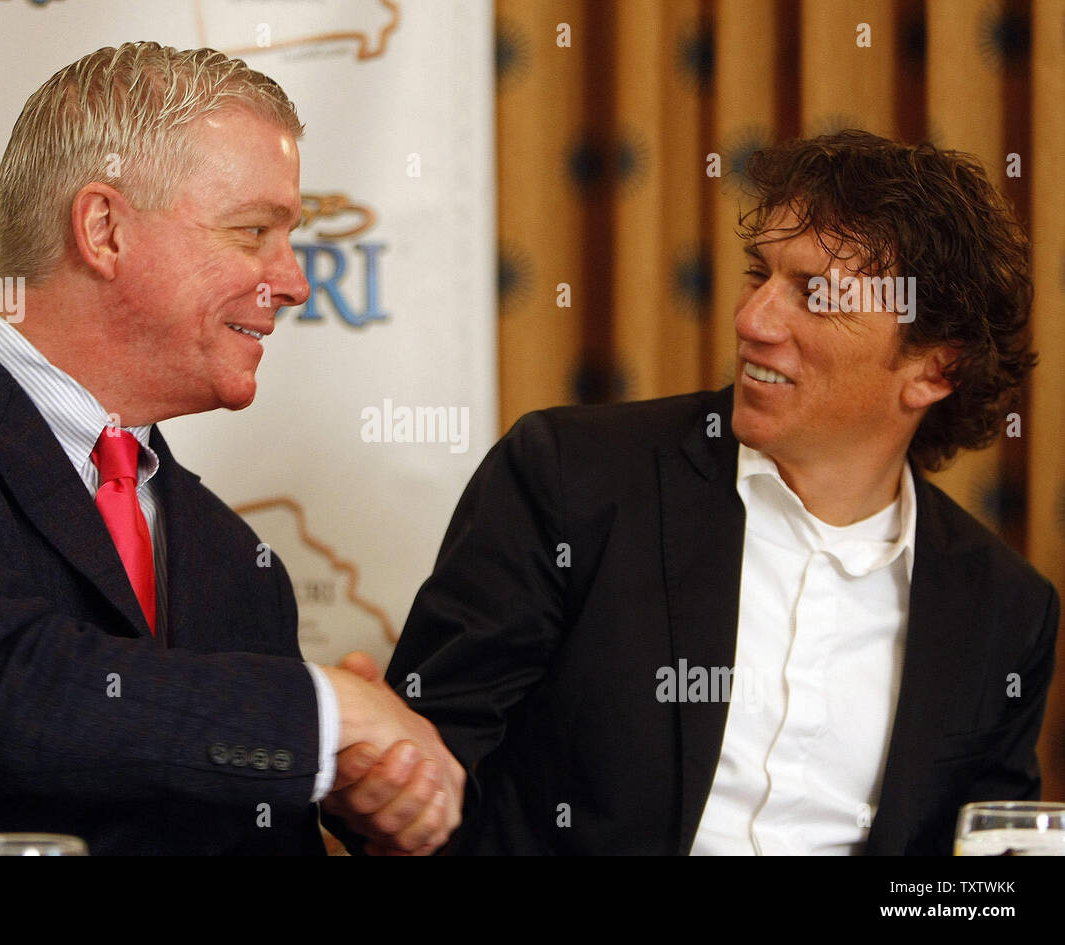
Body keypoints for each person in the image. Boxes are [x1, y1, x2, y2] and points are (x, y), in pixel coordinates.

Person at [0, 42, 460, 855]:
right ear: (104, 230)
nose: (296, 280)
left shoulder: (239, 564)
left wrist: (361, 789)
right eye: (253, 232)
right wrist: (324, 716)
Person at [358, 130, 1058, 855]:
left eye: (815, 295)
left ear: (933, 370)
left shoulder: (1005, 612)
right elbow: (418, 769)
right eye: (761, 276)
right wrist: (385, 779)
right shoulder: (571, 479)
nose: (752, 319)